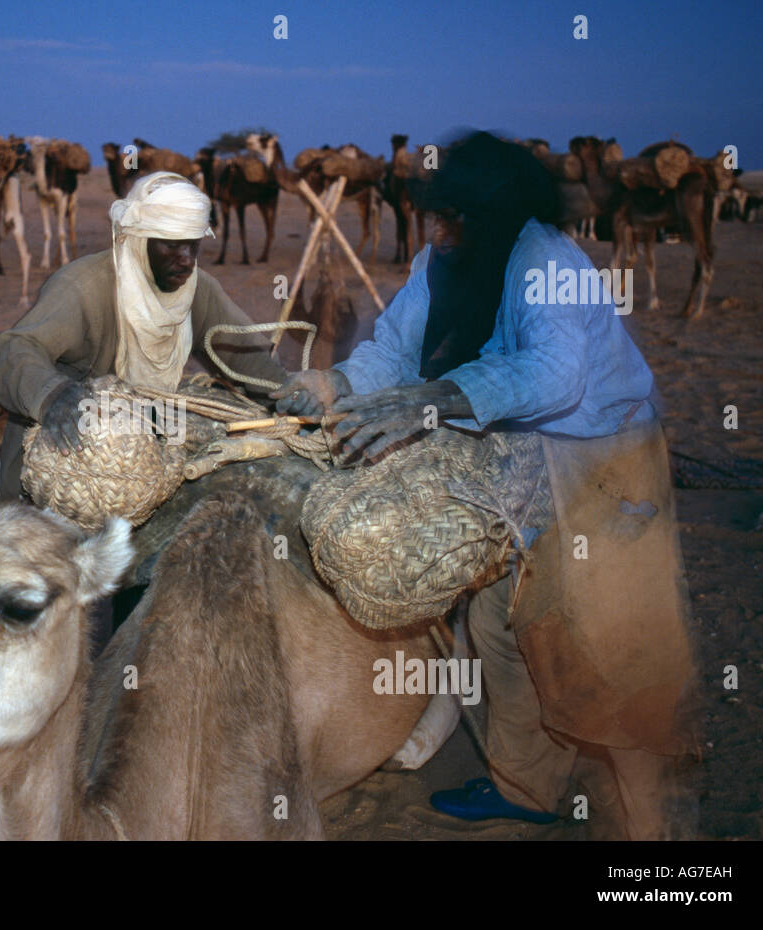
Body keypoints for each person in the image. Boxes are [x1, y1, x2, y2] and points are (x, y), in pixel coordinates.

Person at [273, 131, 698, 839]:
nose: (436, 230)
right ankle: (526, 787)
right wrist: (337, 381)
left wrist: (440, 394)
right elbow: (394, 350)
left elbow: (556, 377)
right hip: (519, 464)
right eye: (435, 216)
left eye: (451, 216)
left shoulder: (545, 260)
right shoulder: (440, 262)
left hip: (603, 462)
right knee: (502, 628)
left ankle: (652, 835)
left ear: (488, 212)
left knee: (604, 647)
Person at [0, 170, 286, 503]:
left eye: (193, 244)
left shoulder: (197, 290)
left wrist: (287, 392)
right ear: (138, 239)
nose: (187, 259)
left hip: (140, 466)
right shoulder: (83, 287)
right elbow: (15, 349)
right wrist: (53, 396)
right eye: (172, 245)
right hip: (55, 469)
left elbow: (245, 356)